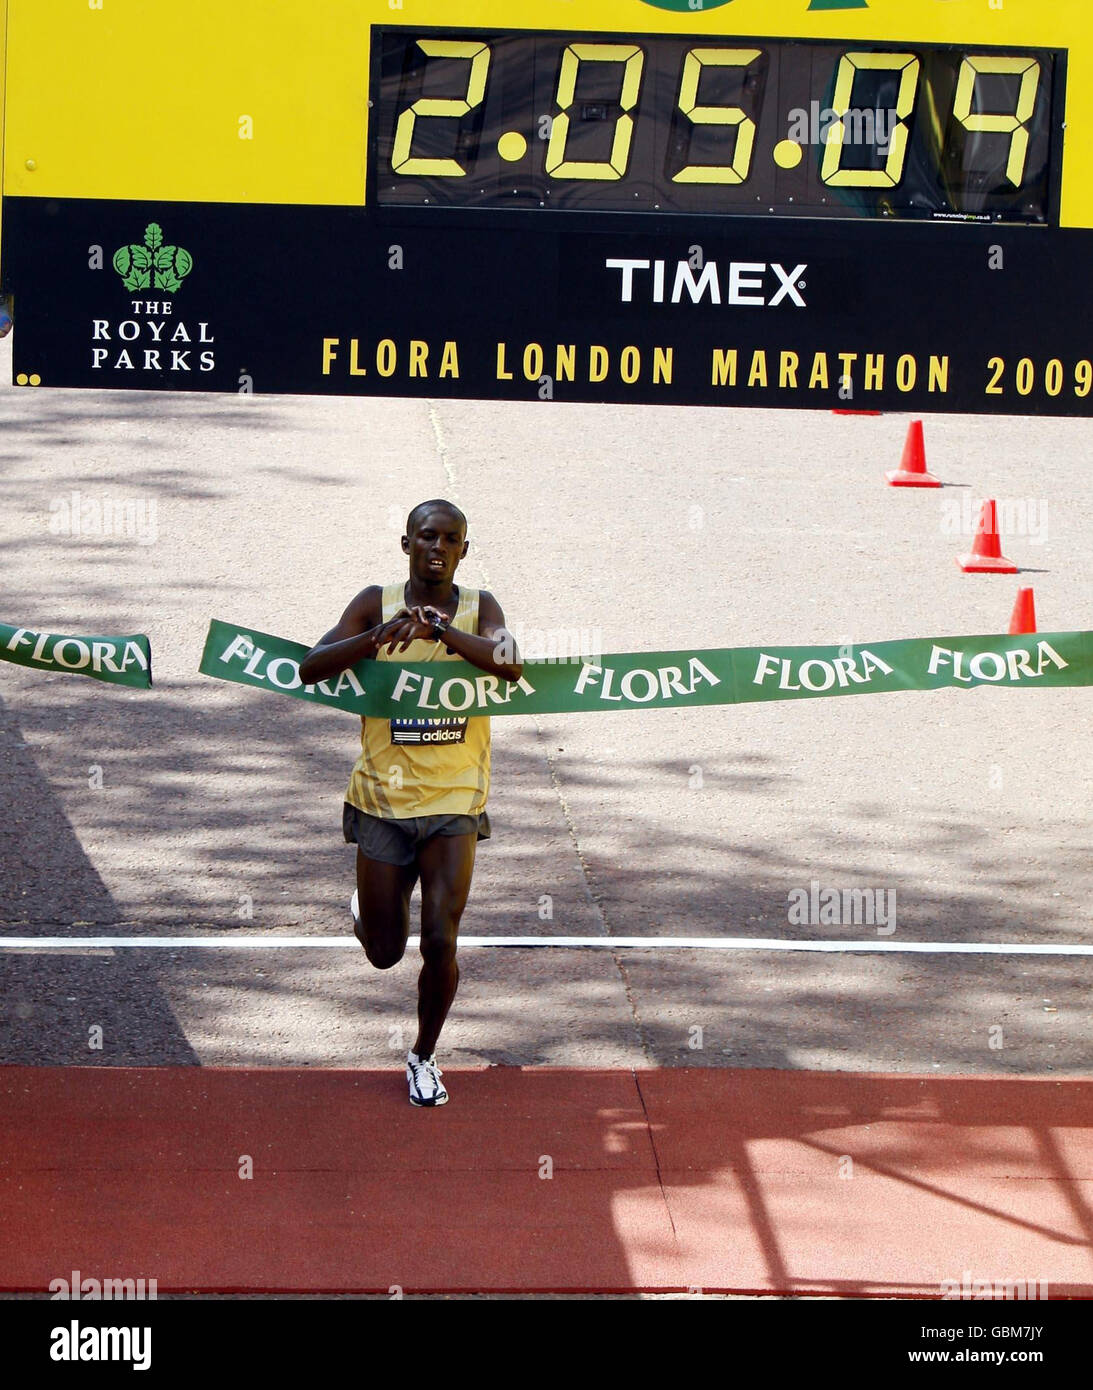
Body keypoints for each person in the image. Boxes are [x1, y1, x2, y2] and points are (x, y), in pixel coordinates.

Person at [298, 500, 522, 1106]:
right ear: (406, 543)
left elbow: (511, 664)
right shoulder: (374, 601)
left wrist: (442, 631)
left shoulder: (481, 608)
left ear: (464, 551)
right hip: (381, 800)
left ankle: (424, 1055)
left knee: (441, 941)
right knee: (384, 952)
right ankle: (367, 915)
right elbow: (309, 667)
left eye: (451, 540)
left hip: (455, 801)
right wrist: (380, 635)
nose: (438, 548)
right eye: (427, 537)